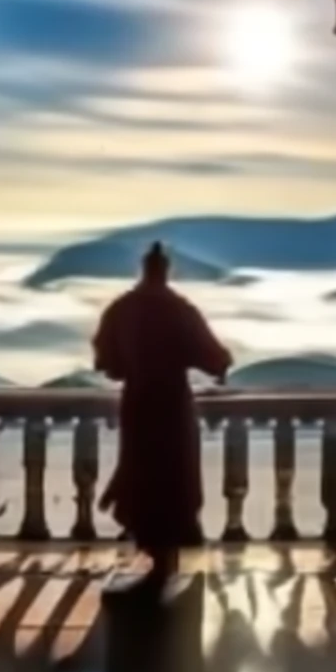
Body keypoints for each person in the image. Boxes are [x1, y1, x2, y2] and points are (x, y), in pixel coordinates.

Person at [93, 241, 232, 596]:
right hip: (172, 406)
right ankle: (163, 560)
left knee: (142, 474)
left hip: (139, 404)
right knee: (172, 477)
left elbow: (107, 364)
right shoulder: (180, 310)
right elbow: (214, 357)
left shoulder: (121, 309)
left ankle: (155, 559)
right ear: (166, 270)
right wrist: (218, 364)